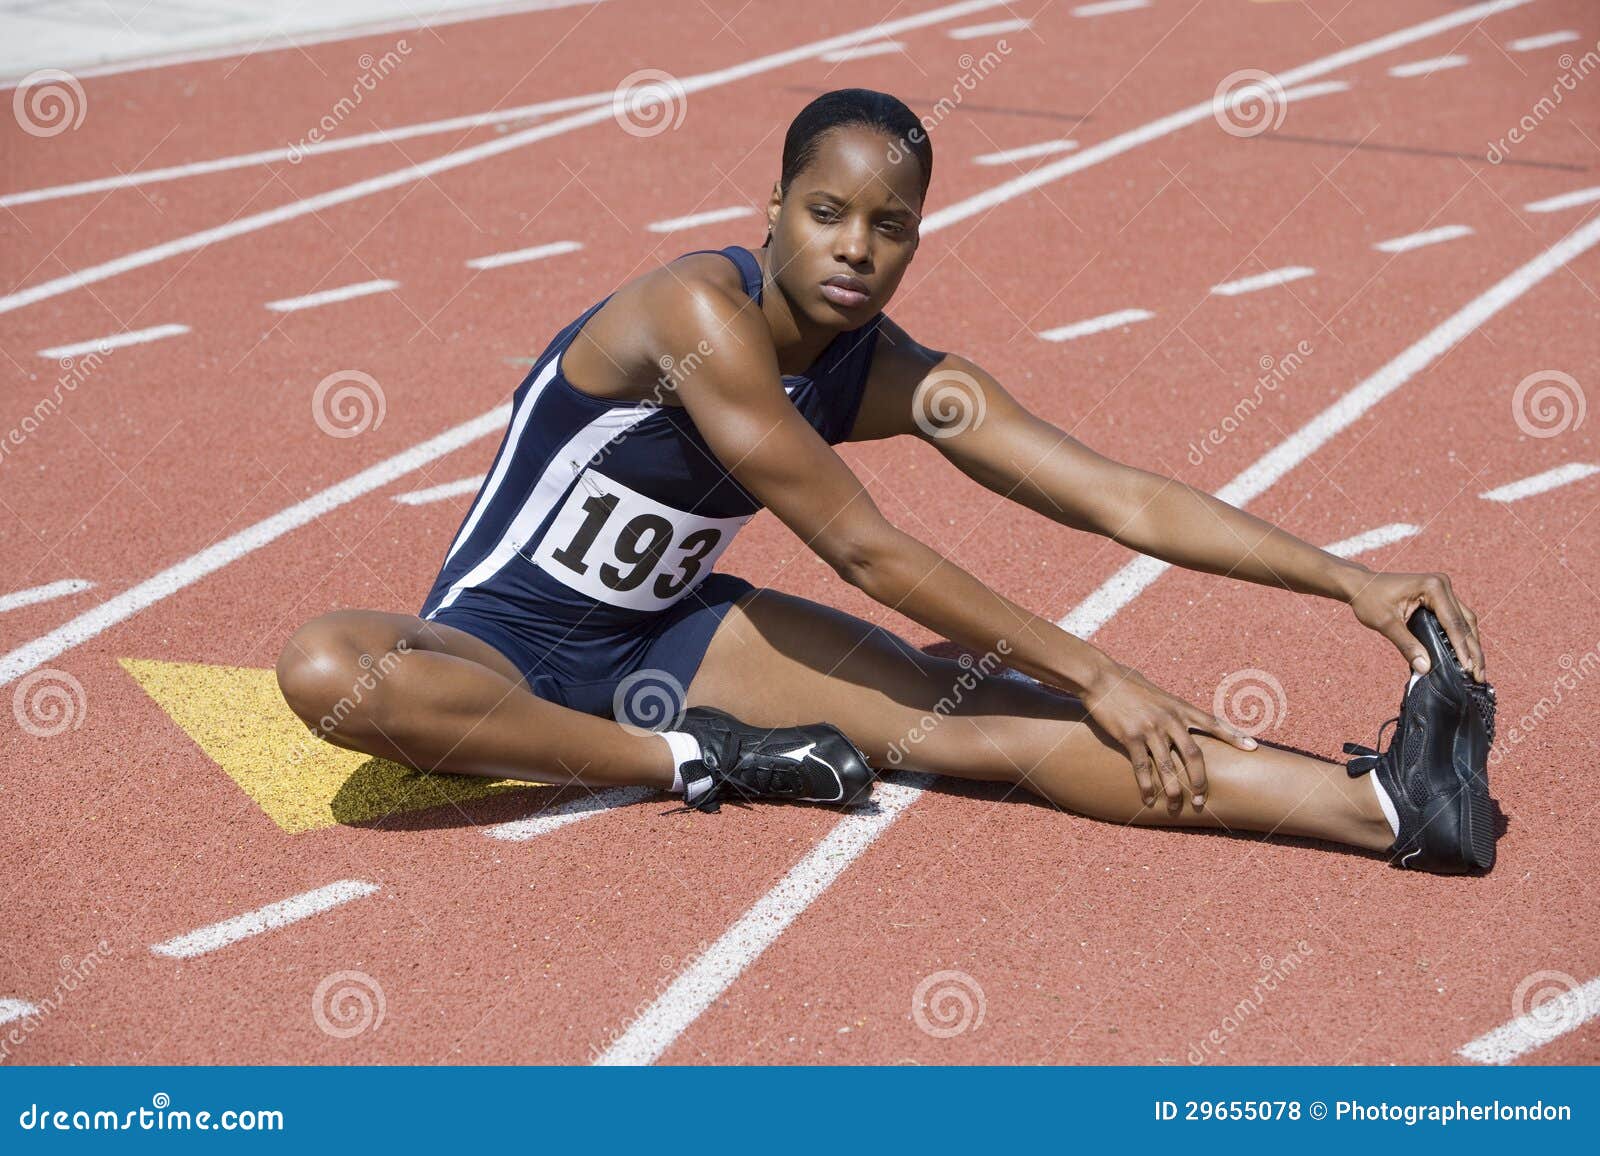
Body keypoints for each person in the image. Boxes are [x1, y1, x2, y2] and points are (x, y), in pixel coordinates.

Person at [276, 88, 1498, 872]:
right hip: (498, 649)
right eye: (825, 212)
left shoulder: (889, 376)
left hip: (669, 643)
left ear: (916, 235)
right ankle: (700, 761)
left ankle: (1383, 810)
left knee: (958, 718)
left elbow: (1117, 495)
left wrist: (1351, 579)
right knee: (325, 671)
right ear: (772, 207)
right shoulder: (688, 314)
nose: (855, 247)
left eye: (891, 225)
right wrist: (1097, 666)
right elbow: (862, 548)